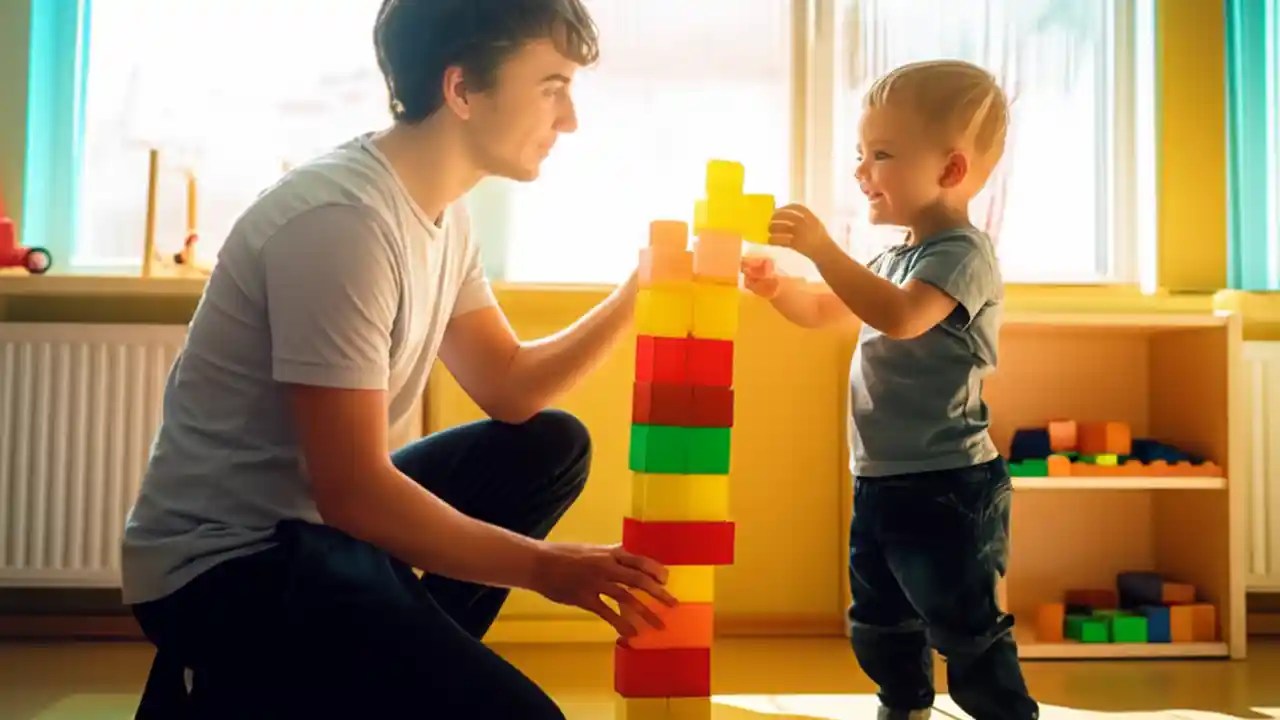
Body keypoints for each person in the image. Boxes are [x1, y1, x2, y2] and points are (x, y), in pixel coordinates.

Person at [120, 1, 675, 717]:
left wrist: (638, 293)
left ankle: (388, 658)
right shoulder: (342, 224)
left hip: (315, 530)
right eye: (551, 86)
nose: (569, 119)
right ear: (462, 91)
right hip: (228, 566)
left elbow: (508, 389)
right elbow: (351, 491)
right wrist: (547, 568)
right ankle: (287, 673)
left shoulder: (443, 212)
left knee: (550, 445)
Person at [742, 60, 1039, 720]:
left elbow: (900, 317)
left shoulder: (962, 255)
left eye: (880, 155)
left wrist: (823, 251)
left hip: (949, 484)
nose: (861, 171)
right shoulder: (893, 257)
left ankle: (1003, 712)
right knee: (880, 620)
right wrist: (780, 288)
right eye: (859, 153)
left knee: (965, 627)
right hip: (881, 479)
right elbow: (827, 312)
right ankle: (904, 705)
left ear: (951, 171)